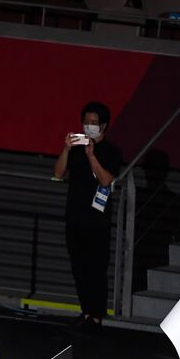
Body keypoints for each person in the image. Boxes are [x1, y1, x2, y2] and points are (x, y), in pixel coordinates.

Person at [53, 101, 121, 330]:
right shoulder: (76, 148)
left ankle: (97, 315)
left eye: (94, 123)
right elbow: (58, 173)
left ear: (103, 126)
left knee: (96, 268)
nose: (89, 126)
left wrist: (92, 155)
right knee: (78, 267)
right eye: (86, 122)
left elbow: (105, 180)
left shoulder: (110, 152)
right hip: (75, 217)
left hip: (97, 221)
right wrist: (66, 148)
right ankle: (86, 311)